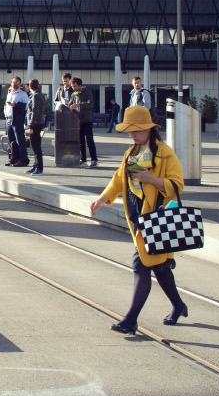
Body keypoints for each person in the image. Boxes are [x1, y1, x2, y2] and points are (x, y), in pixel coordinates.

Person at [88, 104, 189, 334]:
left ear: (148, 129)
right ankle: (178, 305)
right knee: (160, 268)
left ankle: (131, 320)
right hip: (137, 219)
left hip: (156, 220)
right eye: (129, 131)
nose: (131, 135)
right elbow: (118, 179)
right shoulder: (132, 153)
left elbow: (177, 186)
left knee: (141, 266)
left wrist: (151, 179)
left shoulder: (164, 153)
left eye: (136, 130)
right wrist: (102, 199)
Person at [73, 76, 99, 167]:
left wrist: (79, 104)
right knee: (81, 141)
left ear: (80, 85)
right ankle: (83, 159)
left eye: (75, 86)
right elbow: (73, 105)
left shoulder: (87, 92)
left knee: (89, 140)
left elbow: (90, 104)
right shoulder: (75, 94)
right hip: (78, 120)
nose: (74, 88)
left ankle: (94, 159)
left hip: (87, 120)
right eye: (73, 86)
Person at [4, 77, 29, 167]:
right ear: (11, 83)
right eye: (13, 82)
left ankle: (23, 160)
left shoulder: (23, 94)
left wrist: (16, 105)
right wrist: (5, 113)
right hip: (9, 119)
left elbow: (26, 108)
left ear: (20, 84)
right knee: (11, 141)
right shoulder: (9, 93)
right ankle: (14, 158)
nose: (15, 83)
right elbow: (6, 105)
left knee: (20, 141)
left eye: (17, 82)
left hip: (17, 120)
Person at [26, 82, 47, 175]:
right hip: (38, 123)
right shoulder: (39, 95)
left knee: (35, 146)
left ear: (30, 86)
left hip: (36, 124)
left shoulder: (35, 96)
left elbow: (35, 111)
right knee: (35, 146)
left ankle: (39, 168)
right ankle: (35, 166)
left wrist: (31, 125)